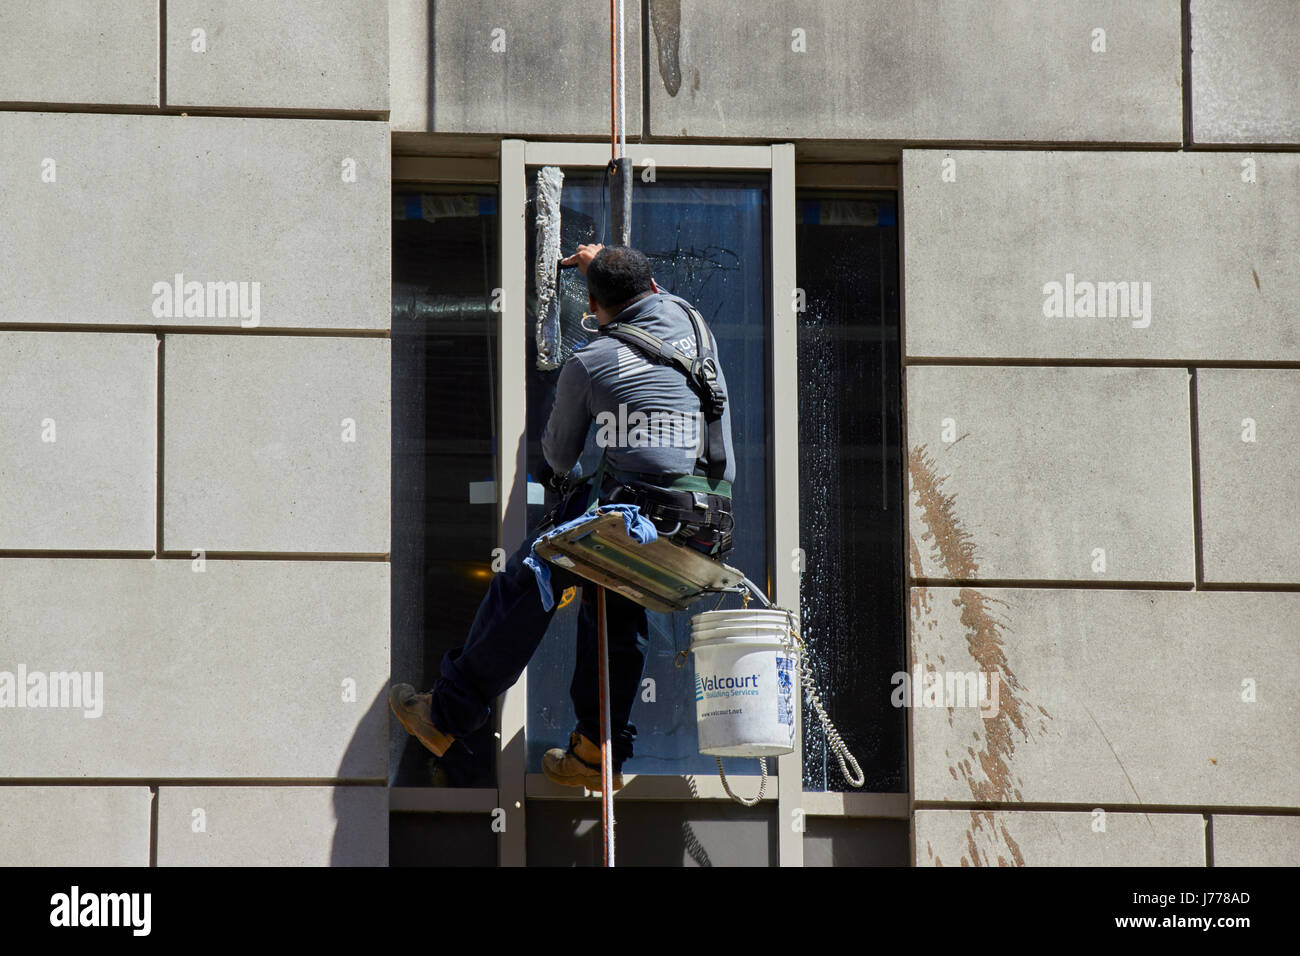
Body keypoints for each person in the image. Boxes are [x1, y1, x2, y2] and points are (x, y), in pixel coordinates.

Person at [390, 244, 736, 791]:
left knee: (529, 576)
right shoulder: (691, 319)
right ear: (649, 288)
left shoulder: (591, 359)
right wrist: (604, 259)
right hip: (708, 524)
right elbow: (642, 287)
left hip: (644, 516)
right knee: (614, 604)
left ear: (595, 306)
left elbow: (559, 457)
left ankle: (446, 714)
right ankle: (596, 751)